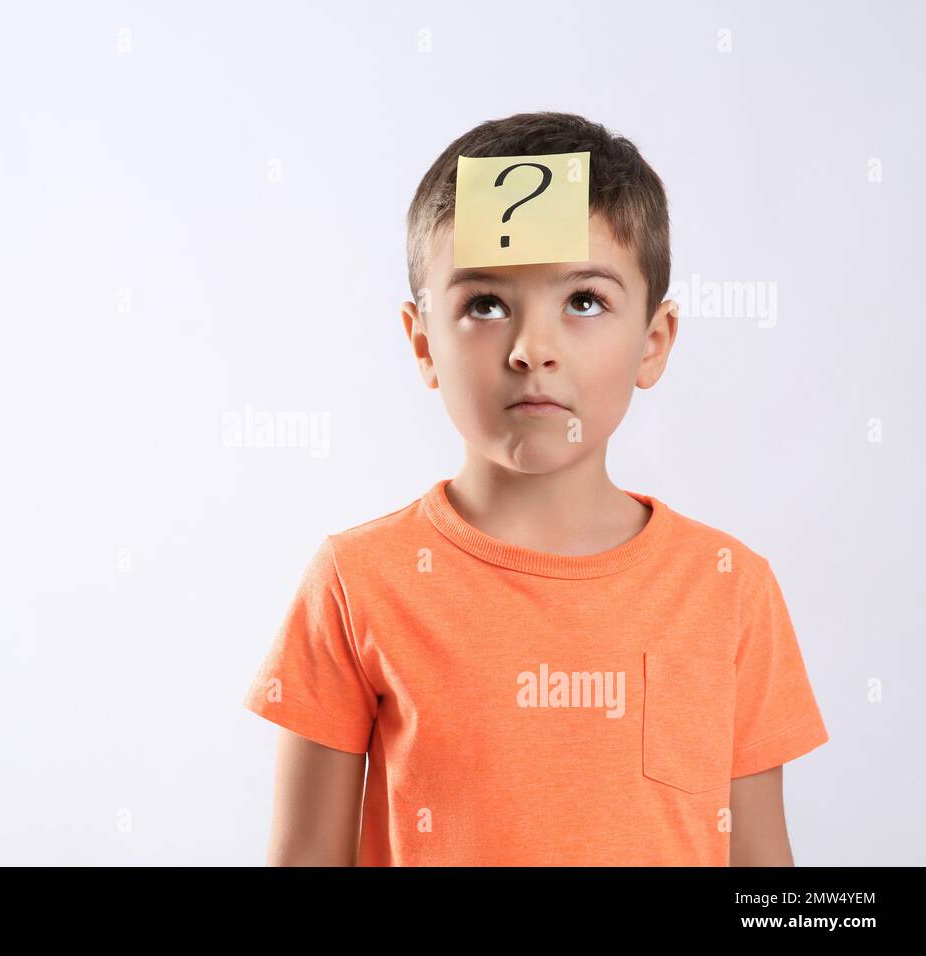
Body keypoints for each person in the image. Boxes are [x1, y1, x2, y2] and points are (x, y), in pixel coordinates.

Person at [241, 111, 829, 866]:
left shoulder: (731, 590)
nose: (532, 350)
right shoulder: (356, 584)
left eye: (584, 301)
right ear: (423, 344)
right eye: (484, 304)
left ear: (654, 343)